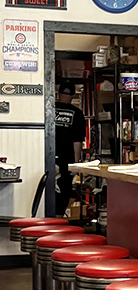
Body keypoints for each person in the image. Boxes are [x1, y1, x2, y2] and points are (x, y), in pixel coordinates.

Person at [55, 80, 86, 216]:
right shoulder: (77, 114)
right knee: (64, 189)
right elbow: (77, 141)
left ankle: (48, 216)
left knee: (47, 186)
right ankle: (59, 217)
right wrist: (76, 162)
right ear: (73, 96)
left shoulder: (49, 108)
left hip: (46, 155)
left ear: (58, 94)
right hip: (66, 158)